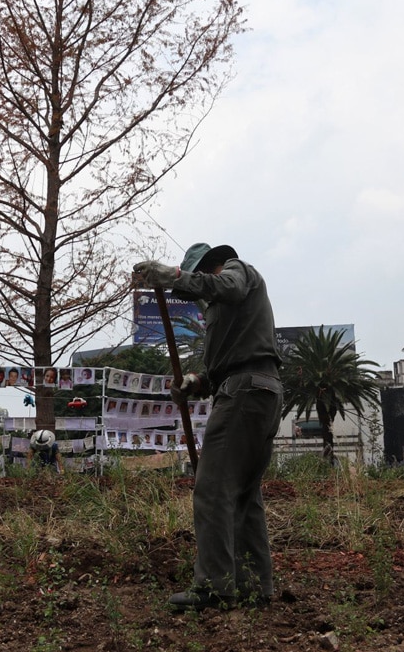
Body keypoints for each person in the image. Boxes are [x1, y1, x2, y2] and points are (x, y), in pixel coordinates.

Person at [134, 243, 282, 612]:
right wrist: (197, 382)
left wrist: (171, 275)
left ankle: (215, 587)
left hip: (246, 393)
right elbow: (223, 366)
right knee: (243, 495)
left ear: (210, 266)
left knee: (212, 489)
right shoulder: (227, 314)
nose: (196, 295)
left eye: (196, 281)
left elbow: (225, 286)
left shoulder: (237, 271)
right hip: (256, 390)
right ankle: (253, 584)